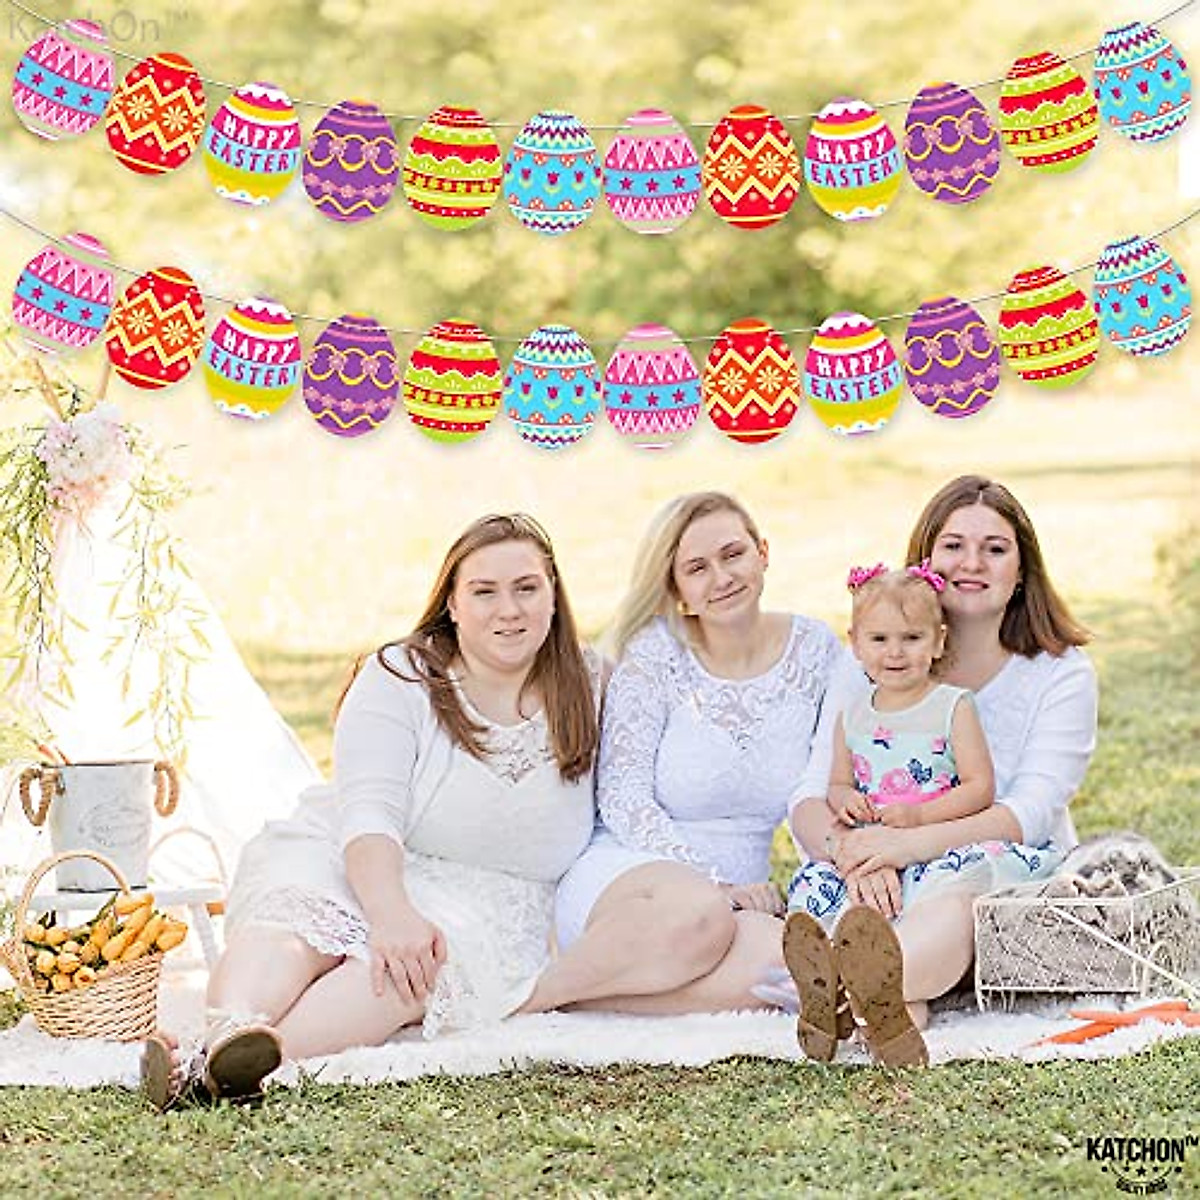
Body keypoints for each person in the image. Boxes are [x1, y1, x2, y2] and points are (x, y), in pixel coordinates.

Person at [142, 512, 601, 1107]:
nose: (508, 610)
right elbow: (369, 813)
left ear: (554, 594)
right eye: (484, 591)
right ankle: (228, 1028)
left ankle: (219, 1070)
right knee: (297, 919)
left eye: (526, 588)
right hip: (359, 852)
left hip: (485, 898)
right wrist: (390, 912)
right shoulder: (403, 676)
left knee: (401, 973)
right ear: (452, 604)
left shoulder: (592, 684)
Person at [785, 475, 1097, 1065]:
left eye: (995, 548)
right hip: (871, 865)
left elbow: (1028, 813)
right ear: (926, 559)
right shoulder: (876, 657)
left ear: (1022, 570)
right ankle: (880, 1001)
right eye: (953, 545)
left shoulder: (1060, 674)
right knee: (854, 919)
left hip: (984, 874)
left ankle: (839, 990)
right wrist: (854, 853)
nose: (971, 563)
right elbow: (811, 794)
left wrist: (904, 845)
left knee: (952, 912)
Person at [529, 491, 862, 1017]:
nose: (722, 577)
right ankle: (537, 997)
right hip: (634, 873)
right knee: (700, 913)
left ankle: (574, 1000)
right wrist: (714, 885)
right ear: (676, 588)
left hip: (742, 901)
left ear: (763, 553)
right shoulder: (654, 654)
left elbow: (825, 779)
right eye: (697, 568)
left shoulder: (815, 649)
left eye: (733, 554)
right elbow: (623, 797)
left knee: (789, 963)